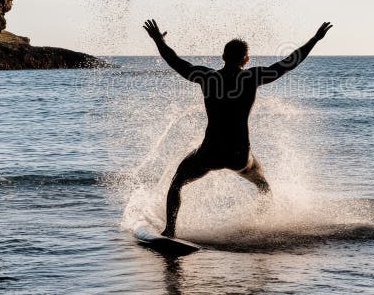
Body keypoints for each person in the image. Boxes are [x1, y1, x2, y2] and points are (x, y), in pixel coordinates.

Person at [142, 19, 333, 237]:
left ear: (223, 57)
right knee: (263, 185)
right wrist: (315, 40)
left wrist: (158, 40)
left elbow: (175, 62)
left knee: (177, 183)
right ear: (246, 59)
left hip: (210, 152)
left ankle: (170, 230)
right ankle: (261, 228)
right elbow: (288, 63)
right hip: (240, 154)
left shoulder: (207, 77)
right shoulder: (252, 77)